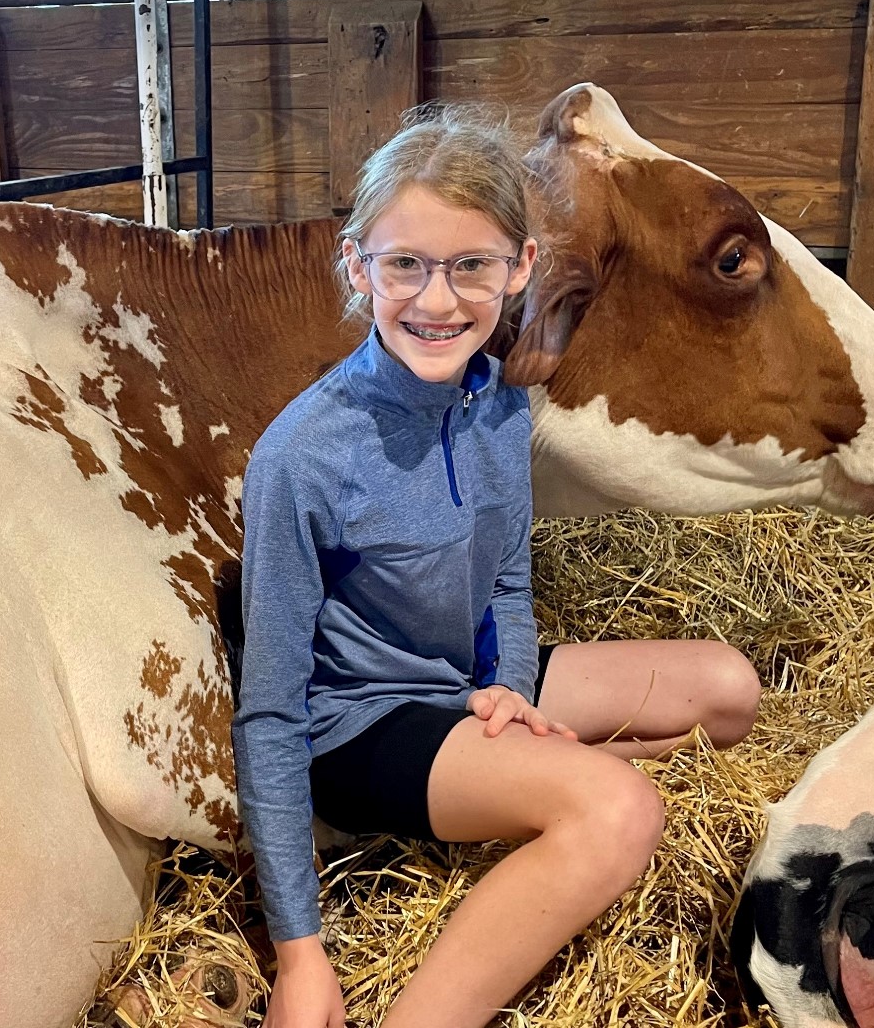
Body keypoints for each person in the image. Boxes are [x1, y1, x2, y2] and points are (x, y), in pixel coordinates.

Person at [230, 105, 762, 1028]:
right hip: (364, 724)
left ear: (519, 268)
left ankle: (525, 788)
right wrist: (301, 958)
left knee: (728, 689)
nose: (437, 302)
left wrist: (510, 689)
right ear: (359, 267)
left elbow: (510, 586)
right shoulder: (303, 457)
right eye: (406, 264)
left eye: (472, 266)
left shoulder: (501, 407)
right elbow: (272, 709)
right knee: (620, 814)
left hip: (468, 689)